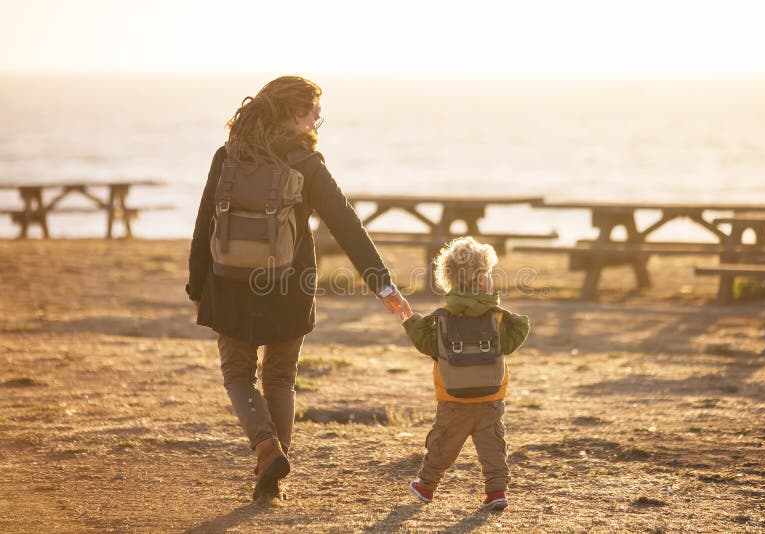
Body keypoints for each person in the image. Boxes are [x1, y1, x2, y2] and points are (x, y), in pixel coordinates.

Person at [186, 76, 412, 501]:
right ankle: (271, 480)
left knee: (237, 374)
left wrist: (197, 285)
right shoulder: (306, 164)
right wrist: (383, 286)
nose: (316, 120)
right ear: (294, 114)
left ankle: (265, 446)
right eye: (313, 113)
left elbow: (204, 224)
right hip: (289, 284)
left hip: (229, 282)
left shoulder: (228, 155)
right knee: (280, 378)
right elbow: (346, 225)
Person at [402, 236, 530, 511]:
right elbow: (510, 343)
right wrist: (519, 321)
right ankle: (496, 491)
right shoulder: (497, 317)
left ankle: (426, 487)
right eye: (489, 275)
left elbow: (427, 345)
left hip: (452, 399)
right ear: (483, 280)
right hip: (491, 398)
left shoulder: (442, 318)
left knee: (443, 445)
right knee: (493, 447)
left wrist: (412, 324)